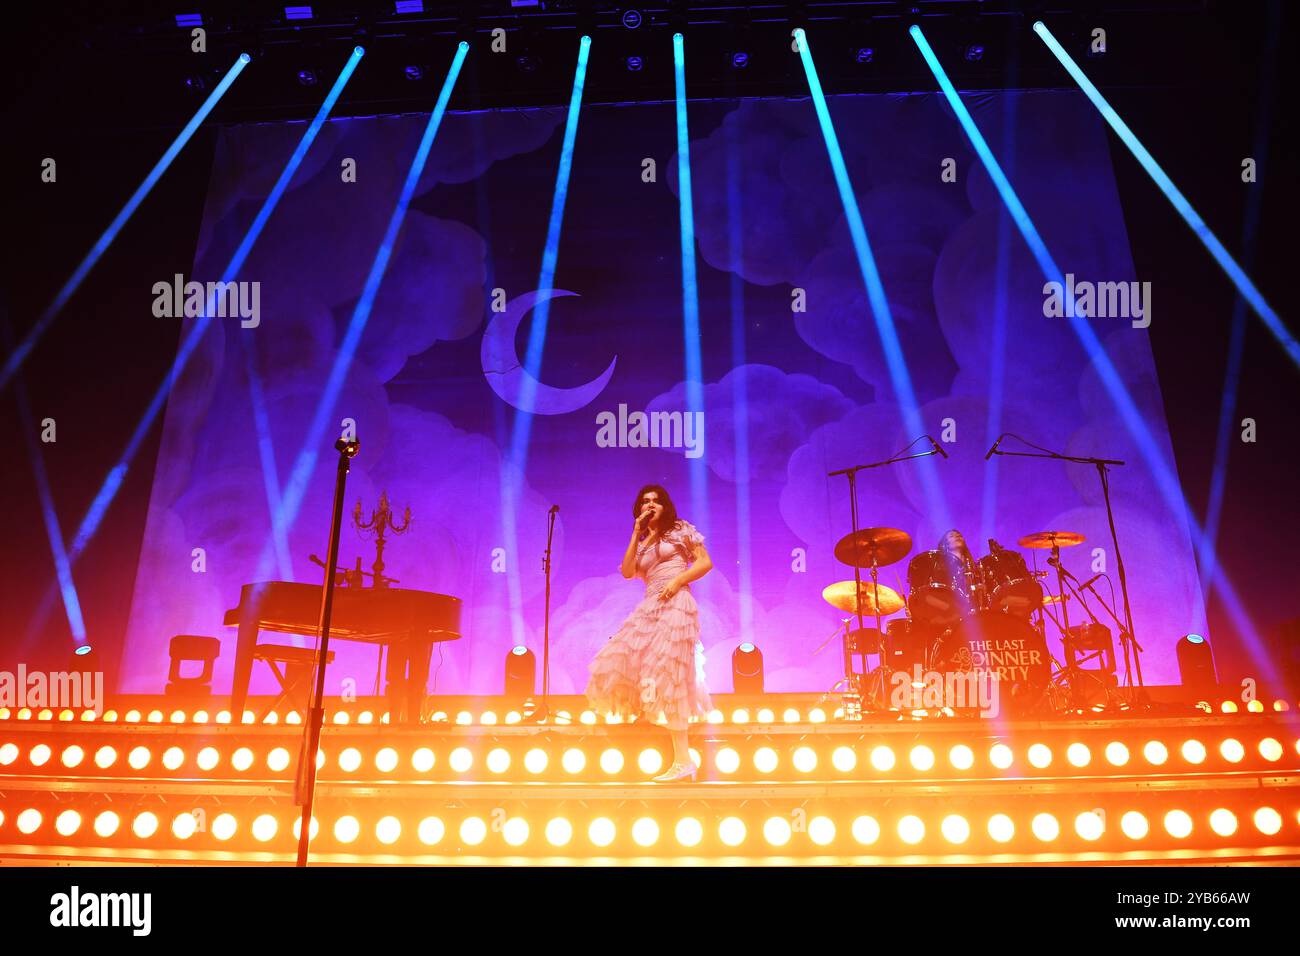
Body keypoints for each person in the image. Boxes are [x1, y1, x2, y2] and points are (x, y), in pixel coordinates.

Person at [586, 484, 713, 782]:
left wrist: (679, 580)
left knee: (670, 673)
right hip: (650, 605)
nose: (651, 505)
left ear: (665, 506)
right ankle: (648, 722)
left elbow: (705, 562)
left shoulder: (681, 530)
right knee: (620, 660)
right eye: (645, 501)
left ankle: (683, 760)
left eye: (656, 501)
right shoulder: (643, 542)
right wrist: (635, 532)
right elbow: (628, 571)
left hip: (676, 602)